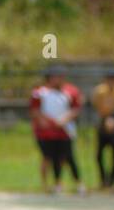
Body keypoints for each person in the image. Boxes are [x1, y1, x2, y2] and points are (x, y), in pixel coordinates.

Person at [29, 67, 84, 195]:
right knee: (50, 158)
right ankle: (53, 184)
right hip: (46, 132)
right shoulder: (40, 92)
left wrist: (64, 120)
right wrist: (47, 122)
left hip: (65, 131)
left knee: (68, 157)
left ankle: (79, 183)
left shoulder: (71, 91)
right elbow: (35, 111)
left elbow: (76, 109)